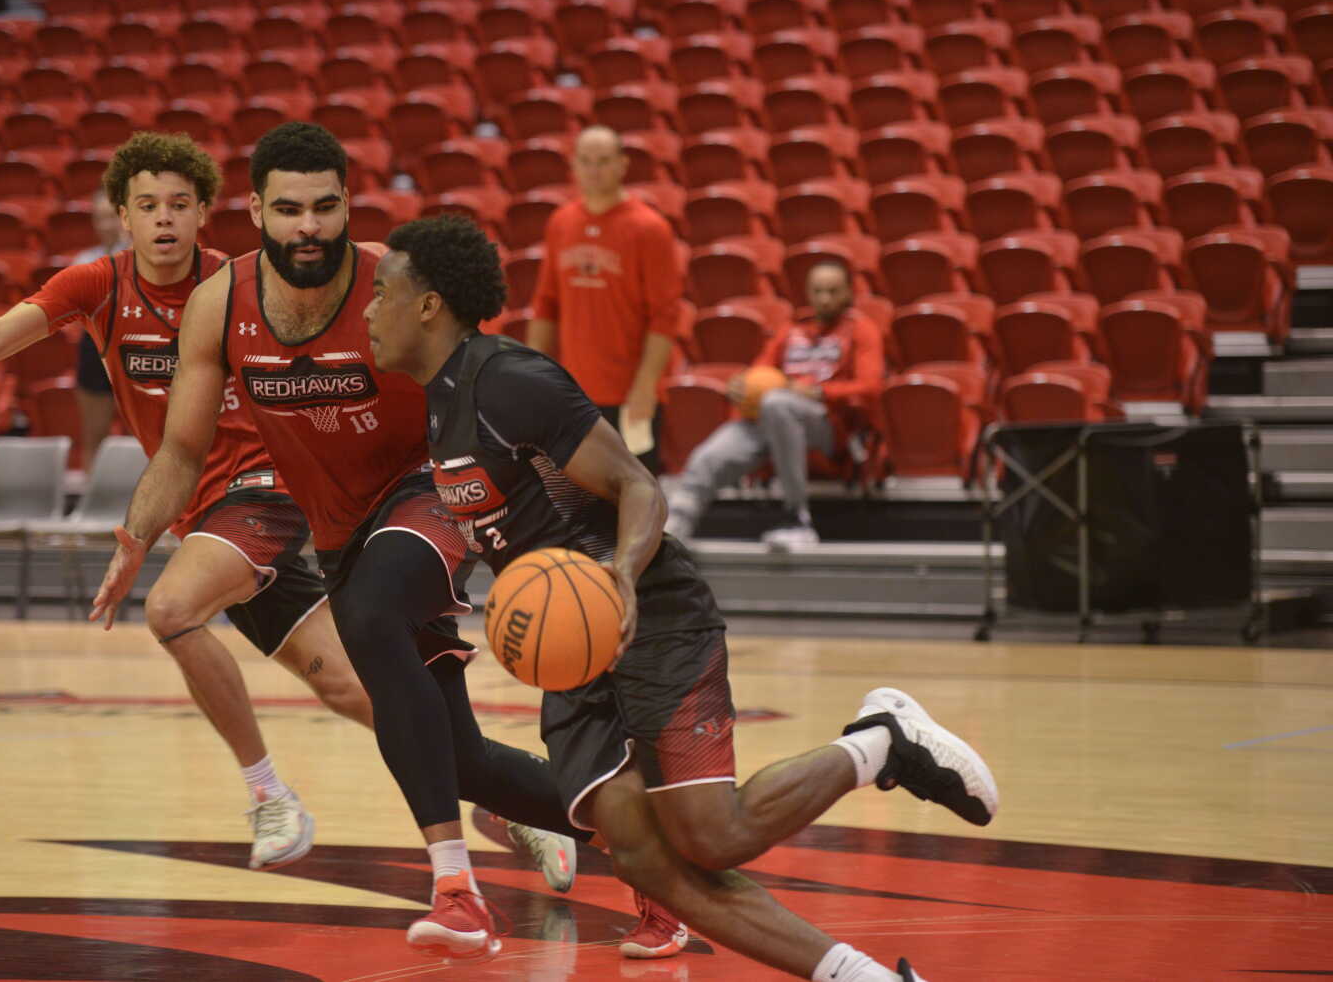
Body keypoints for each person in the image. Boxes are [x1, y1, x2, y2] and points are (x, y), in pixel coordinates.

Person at [363, 213, 999, 982]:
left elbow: (640, 488)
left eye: (382, 291)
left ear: (429, 304)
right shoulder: (436, 403)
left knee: (713, 836)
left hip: (650, 613)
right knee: (642, 855)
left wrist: (623, 574)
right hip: (574, 652)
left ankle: (882, 741)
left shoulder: (510, 382)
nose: (370, 309)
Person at [92, 122, 590, 961]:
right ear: (256, 212)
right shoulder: (220, 303)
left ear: (348, 205)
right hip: (338, 529)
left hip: (433, 490)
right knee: (460, 757)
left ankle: (457, 892)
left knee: (369, 613)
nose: (309, 226)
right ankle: (645, 850)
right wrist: (135, 537)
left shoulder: (396, 281)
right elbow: (179, 451)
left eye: (325, 207)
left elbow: (487, 381)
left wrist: (549, 492)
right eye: (288, 209)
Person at [0, 133, 369, 871]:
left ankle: (269, 795)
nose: (164, 218)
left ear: (204, 213)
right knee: (347, 687)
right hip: (200, 513)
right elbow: (1, 335)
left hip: (267, 487)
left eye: (179, 204)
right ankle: (503, 796)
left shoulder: (239, 282)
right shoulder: (98, 286)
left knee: (170, 609)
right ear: (122, 216)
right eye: (147, 205)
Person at [666, 260, 885, 551]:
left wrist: (817, 392)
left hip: (828, 423)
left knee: (778, 403)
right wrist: (741, 386)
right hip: (773, 416)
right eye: (818, 291)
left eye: (833, 291)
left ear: (848, 292)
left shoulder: (861, 329)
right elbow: (760, 371)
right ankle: (673, 532)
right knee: (711, 455)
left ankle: (797, 519)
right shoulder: (791, 330)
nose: (825, 299)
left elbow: (870, 386)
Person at [526, 125, 683, 474]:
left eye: (603, 161)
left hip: (631, 394)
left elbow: (665, 315)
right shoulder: (561, 222)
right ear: (574, 165)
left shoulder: (649, 228)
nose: (594, 170)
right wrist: (535, 376)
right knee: (579, 493)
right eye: (586, 161)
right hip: (574, 393)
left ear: (623, 164)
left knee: (637, 493)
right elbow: (546, 304)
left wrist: (646, 386)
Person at [69, 189, 129, 467]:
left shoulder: (143, 256)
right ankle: (90, 492)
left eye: (111, 217)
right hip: (94, 348)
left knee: (147, 435)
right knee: (94, 435)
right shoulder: (83, 260)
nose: (105, 225)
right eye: (99, 218)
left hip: (134, 347)